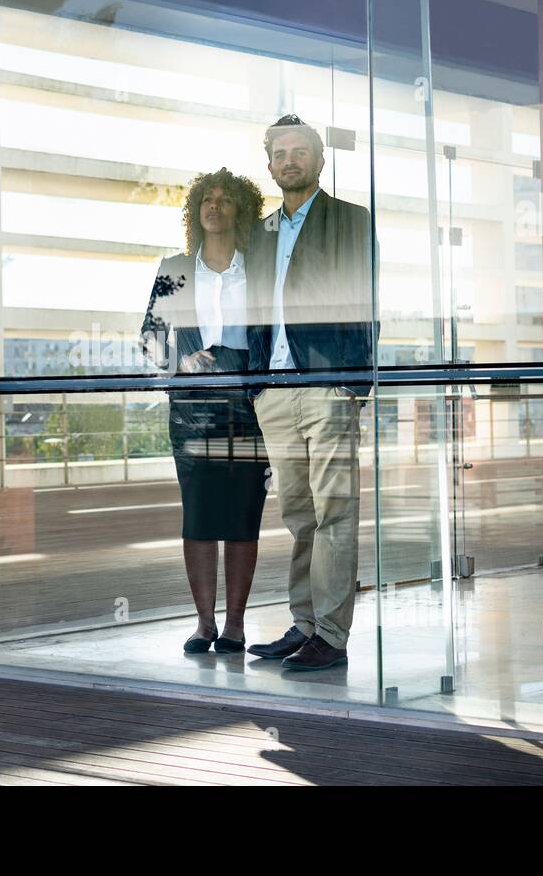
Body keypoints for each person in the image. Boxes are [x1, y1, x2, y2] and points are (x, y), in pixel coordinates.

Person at [244, 115, 375, 671]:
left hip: (326, 384)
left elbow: (364, 296)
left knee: (335, 514)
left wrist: (356, 378)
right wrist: (253, 384)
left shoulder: (349, 220)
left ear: (320, 162)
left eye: (301, 151)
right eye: (281, 152)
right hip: (273, 389)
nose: (290, 160)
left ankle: (331, 634)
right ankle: (303, 624)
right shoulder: (260, 233)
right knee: (298, 515)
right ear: (270, 165)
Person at [141, 168, 270, 654]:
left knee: (243, 515)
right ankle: (204, 623)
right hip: (193, 407)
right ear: (196, 212)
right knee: (197, 516)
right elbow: (150, 336)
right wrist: (181, 361)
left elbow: (276, 333)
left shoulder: (257, 268)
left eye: (226, 199)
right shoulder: (174, 267)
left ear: (241, 211)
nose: (215, 206)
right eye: (207, 200)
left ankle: (235, 624)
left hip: (249, 402)